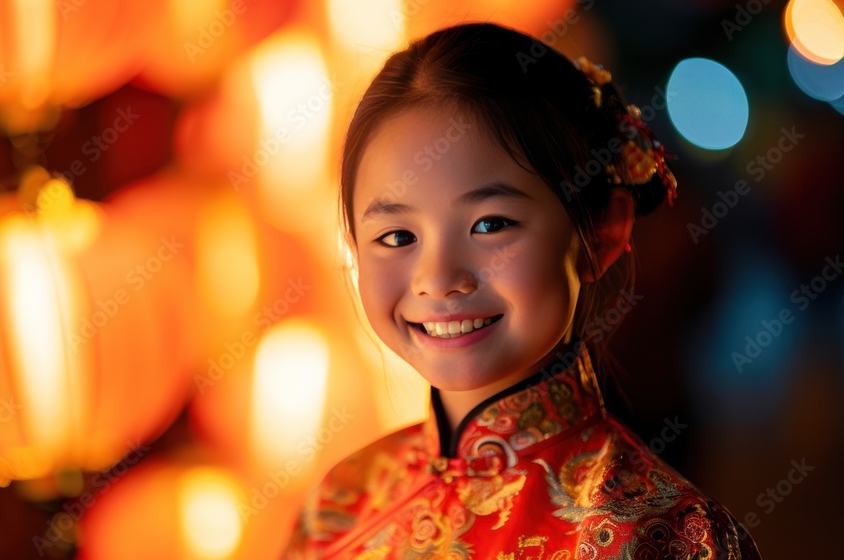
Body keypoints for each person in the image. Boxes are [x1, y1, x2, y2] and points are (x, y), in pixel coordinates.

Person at [283, 22, 762, 559]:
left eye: (490, 225)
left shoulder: (660, 535)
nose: (439, 278)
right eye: (397, 236)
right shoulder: (341, 503)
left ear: (601, 231)